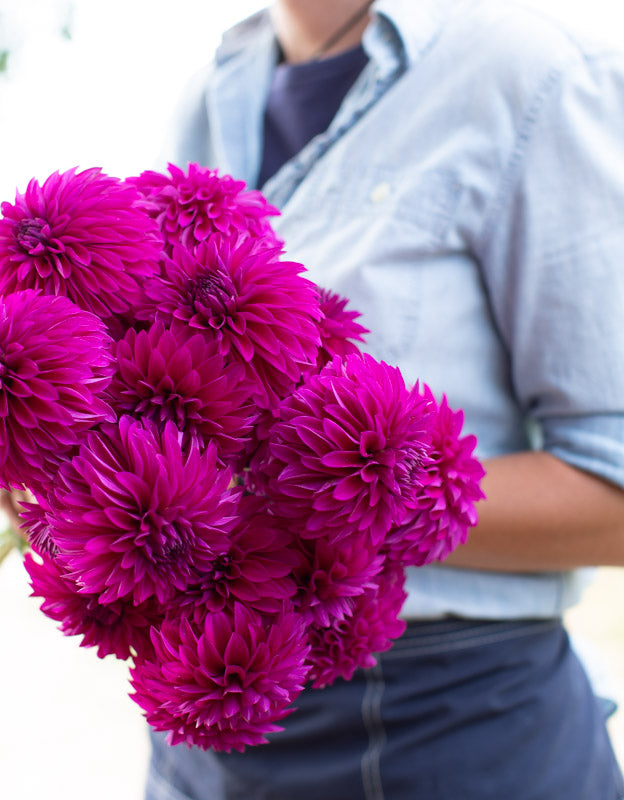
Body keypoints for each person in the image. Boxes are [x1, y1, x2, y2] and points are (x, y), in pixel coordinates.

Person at [144, 0, 624, 797]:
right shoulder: (210, 91)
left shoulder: (534, 72)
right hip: (205, 729)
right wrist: (79, 487)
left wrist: (298, 500)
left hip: (446, 730)